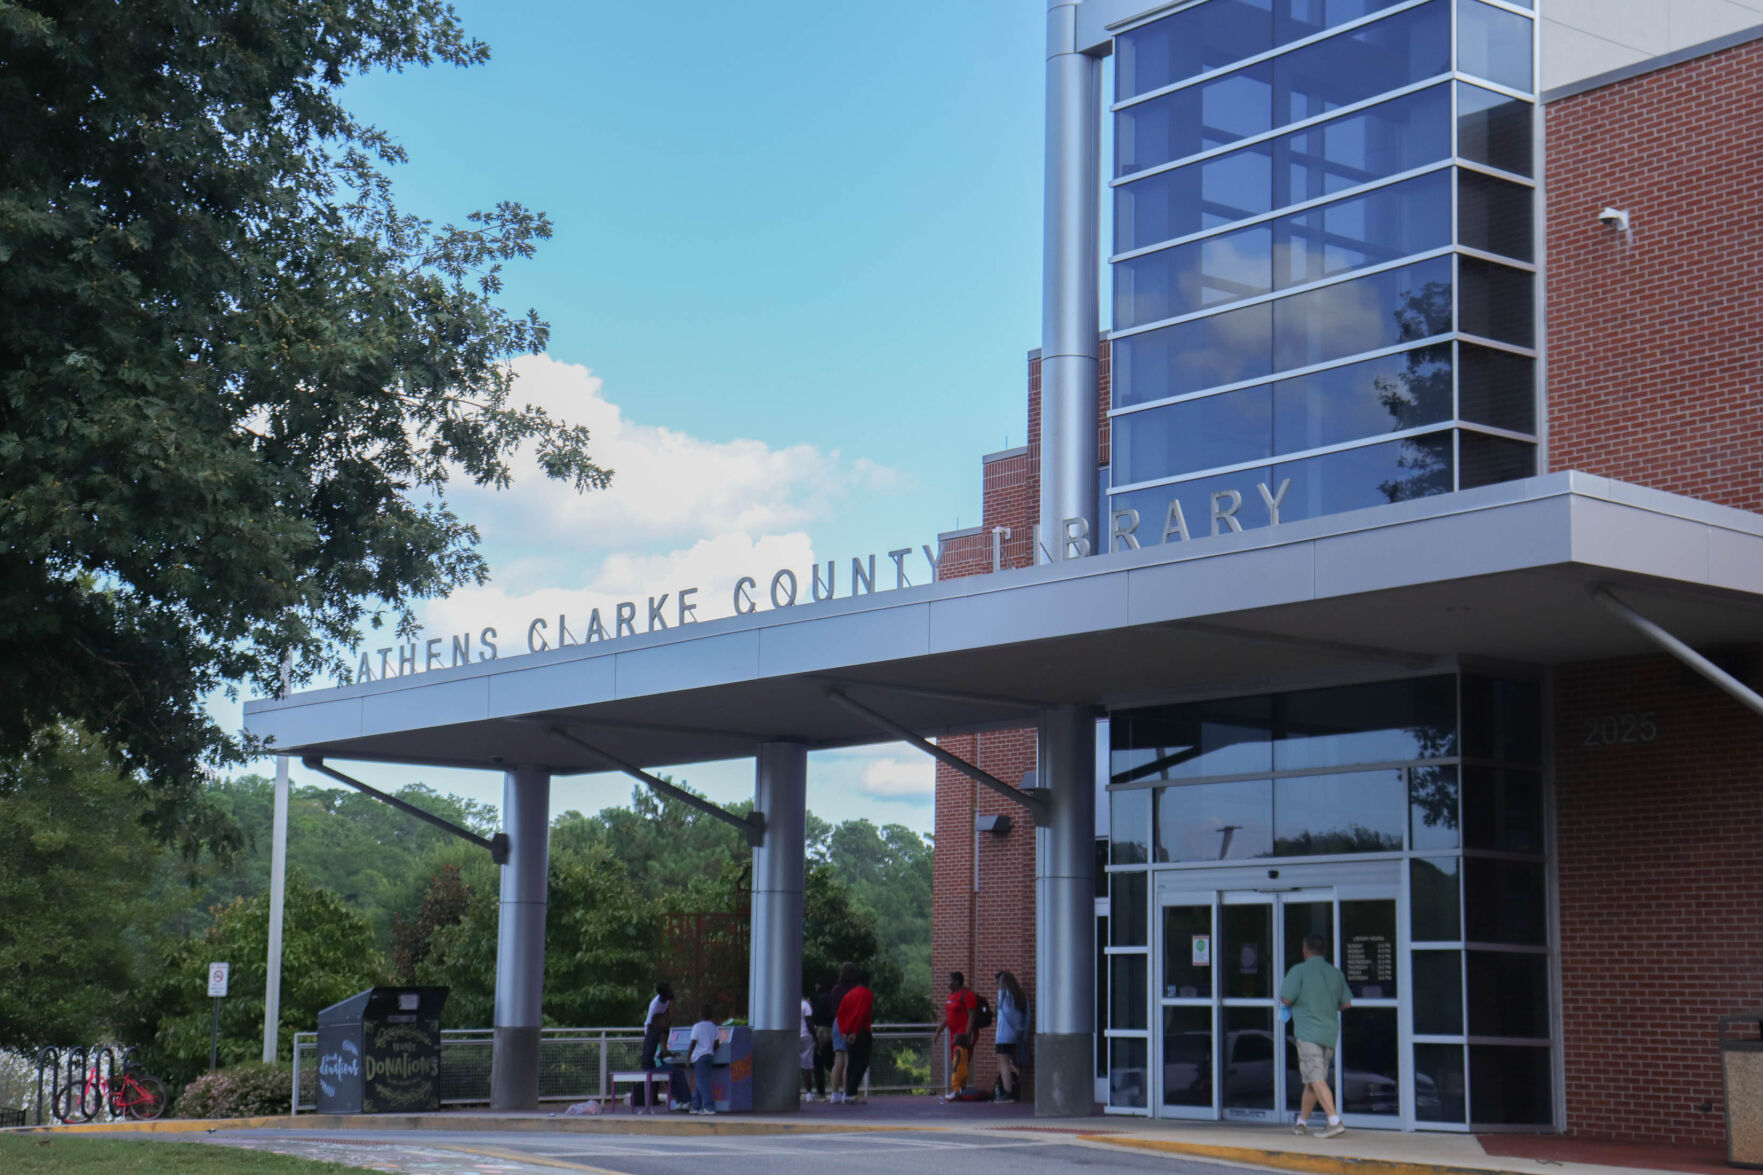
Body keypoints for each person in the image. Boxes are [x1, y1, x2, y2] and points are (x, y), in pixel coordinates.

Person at [1280, 933, 1352, 1138]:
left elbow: (1286, 998)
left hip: (1307, 1032)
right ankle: (1301, 1123)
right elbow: (1347, 1003)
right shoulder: (1335, 973)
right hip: (1329, 1032)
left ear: (1305, 950)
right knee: (1313, 1080)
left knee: (1315, 1077)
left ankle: (1334, 1120)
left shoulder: (1299, 971)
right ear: (1324, 951)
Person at [933, 971, 979, 1100]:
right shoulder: (951, 997)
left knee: (958, 1061)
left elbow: (972, 1015)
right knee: (958, 1062)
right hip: (953, 1034)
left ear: (957, 982)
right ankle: (960, 1089)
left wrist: (967, 1034)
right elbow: (949, 1017)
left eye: (950, 980)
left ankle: (956, 1089)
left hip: (962, 1034)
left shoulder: (967, 995)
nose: (948, 983)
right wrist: (938, 1032)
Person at [837, 969, 875, 1103]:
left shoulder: (848, 995)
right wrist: (855, 1031)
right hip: (861, 1031)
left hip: (847, 1033)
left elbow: (840, 1014)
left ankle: (848, 1093)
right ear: (867, 981)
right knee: (863, 1062)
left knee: (852, 1062)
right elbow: (863, 1013)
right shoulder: (867, 994)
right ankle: (851, 1093)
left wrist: (843, 1032)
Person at [993, 970, 1029, 1102]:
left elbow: (1008, 1014)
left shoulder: (1003, 995)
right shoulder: (1021, 995)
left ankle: (1008, 1093)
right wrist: (1023, 1033)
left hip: (1003, 1035)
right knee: (1019, 1063)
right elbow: (1027, 1016)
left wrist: (1017, 1027)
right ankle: (1018, 1088)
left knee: (1004, 1064)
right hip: (1016, 1036)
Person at [827, 963, 856, 1103]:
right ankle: (847, 1093)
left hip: (836, 1023)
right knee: (848, 1061)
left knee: (838, 1060)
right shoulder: (853, 990)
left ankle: (834, 1094)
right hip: (848, 1023)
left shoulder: (835, 989)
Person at [688, 1002, 720, 1116]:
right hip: (709, 1056)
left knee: (701, 1082)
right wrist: (710, 1049)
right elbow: (717, 1044)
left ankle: (709, 1106)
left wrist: (688, 1058)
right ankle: (696, 1106)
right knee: (700, 1081)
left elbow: (693, 1042)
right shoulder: (713, 1027)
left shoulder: (697, 1026)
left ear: (700, 1014)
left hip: (699, 1057)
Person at [809, 977, 835, 1100]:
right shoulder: (831, 998)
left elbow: (814, 1016)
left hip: (820, 1031)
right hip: (832, 1030)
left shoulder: (818, 999)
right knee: (831, 1062)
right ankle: (837, 1089)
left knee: (817, 1062)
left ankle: (821, 1091)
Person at [800, 986, 818, 1101]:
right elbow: (809, 1022)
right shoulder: (805, 1005)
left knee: (793, 1065)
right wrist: (815, 1036)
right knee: (806, 1066)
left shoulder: (788, 1004)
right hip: (806, 1036)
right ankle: (809, 1093)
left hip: (792, 1036)